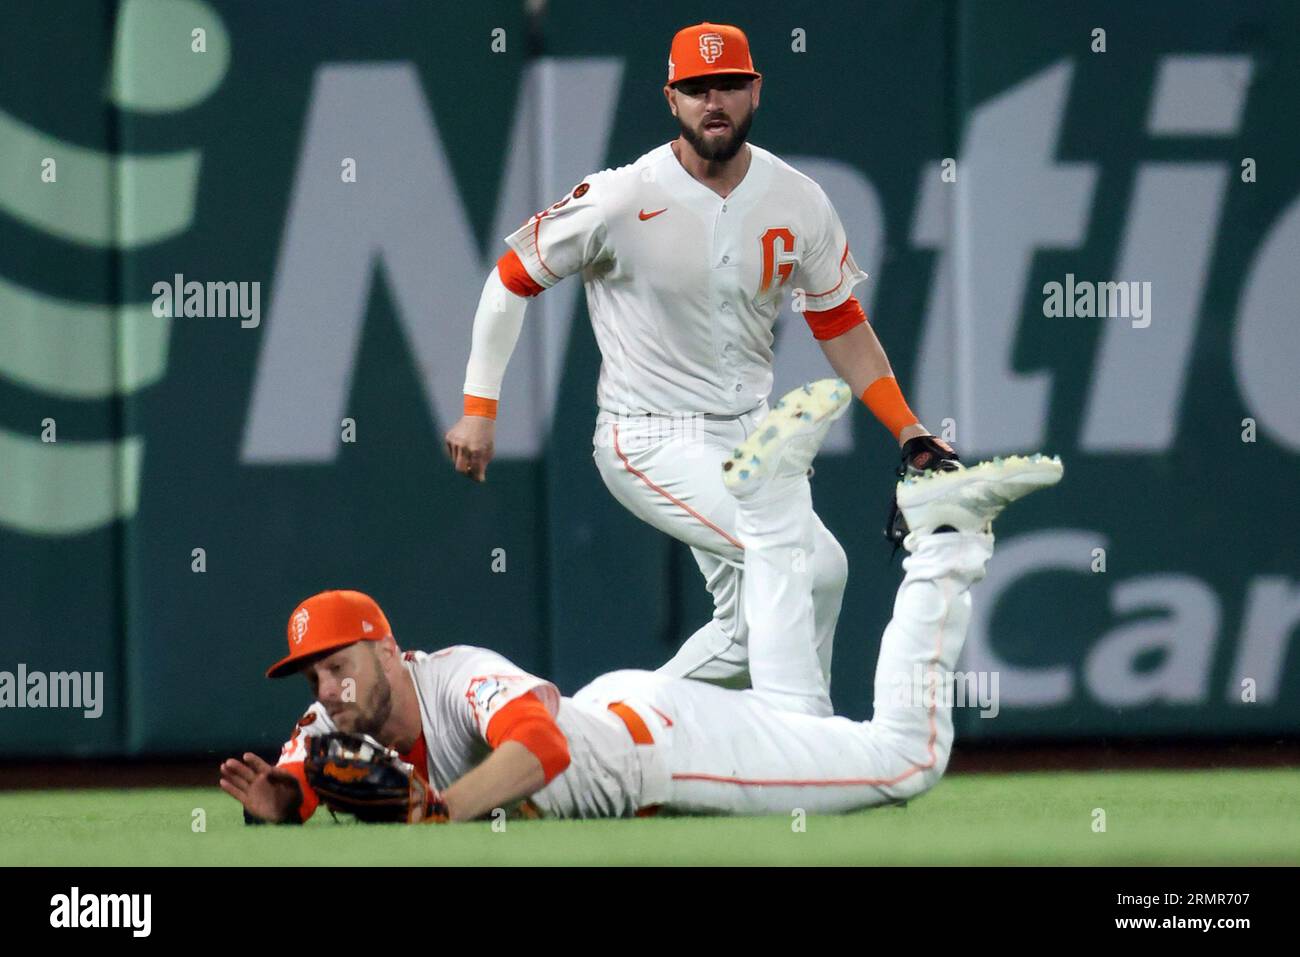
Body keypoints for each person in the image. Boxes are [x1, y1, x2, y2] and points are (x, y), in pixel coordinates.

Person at [222, 380, 1060, 822]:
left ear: (383, 648)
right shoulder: (332, 721)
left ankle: (943, 540)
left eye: (335, 665)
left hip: (649, 747)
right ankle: (769, 503)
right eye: (311, 677)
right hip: (623, 708)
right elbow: (300, 776)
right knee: (797, 715)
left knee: (903, 760)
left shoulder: (452, 678)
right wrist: (280, 806)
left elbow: (541, 748)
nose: (325, 688)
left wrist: (440, 812)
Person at [443, 21, 956, 708]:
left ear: (756, 91)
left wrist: (908, 427)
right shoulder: (621, 197)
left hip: (752, 433)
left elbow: (838, 320)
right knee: (800, 564)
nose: (713, 100)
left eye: (729, 85)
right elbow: (510, 278)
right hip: (650, 435)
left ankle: (597, 735)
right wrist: (479, 407)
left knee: (774, 609)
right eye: (695, 88)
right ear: (670, 99)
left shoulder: (797, 198)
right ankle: (808, 743)